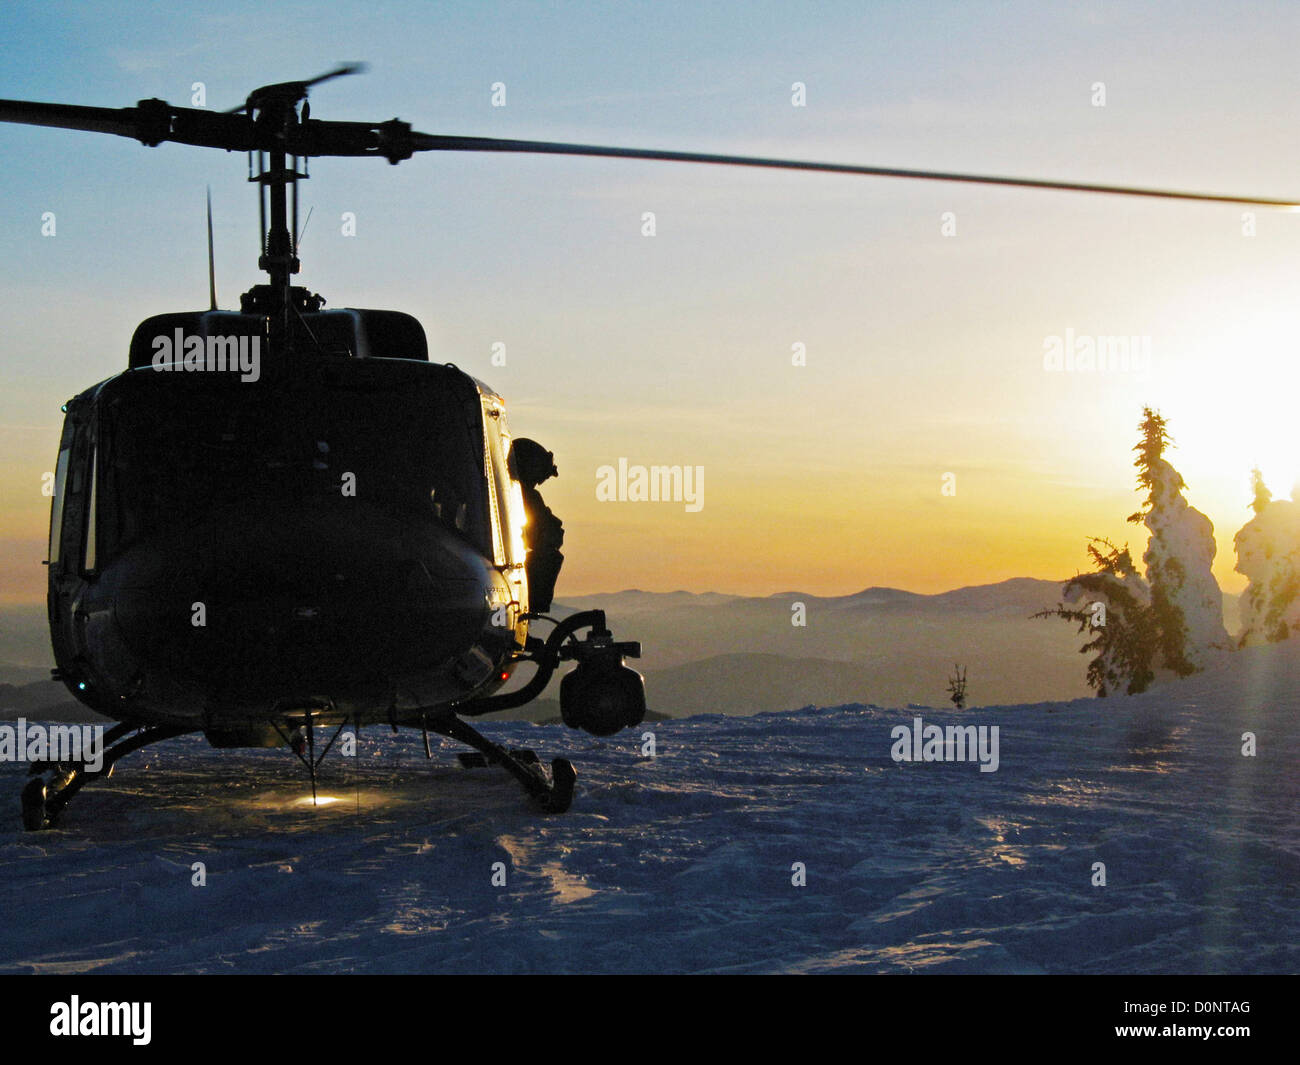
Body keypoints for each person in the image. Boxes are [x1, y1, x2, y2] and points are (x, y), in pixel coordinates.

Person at [510, 438, 564, 612]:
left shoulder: (522, 495)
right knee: (550, 556)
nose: (541, 481)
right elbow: (549, 533)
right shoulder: (527, 497)